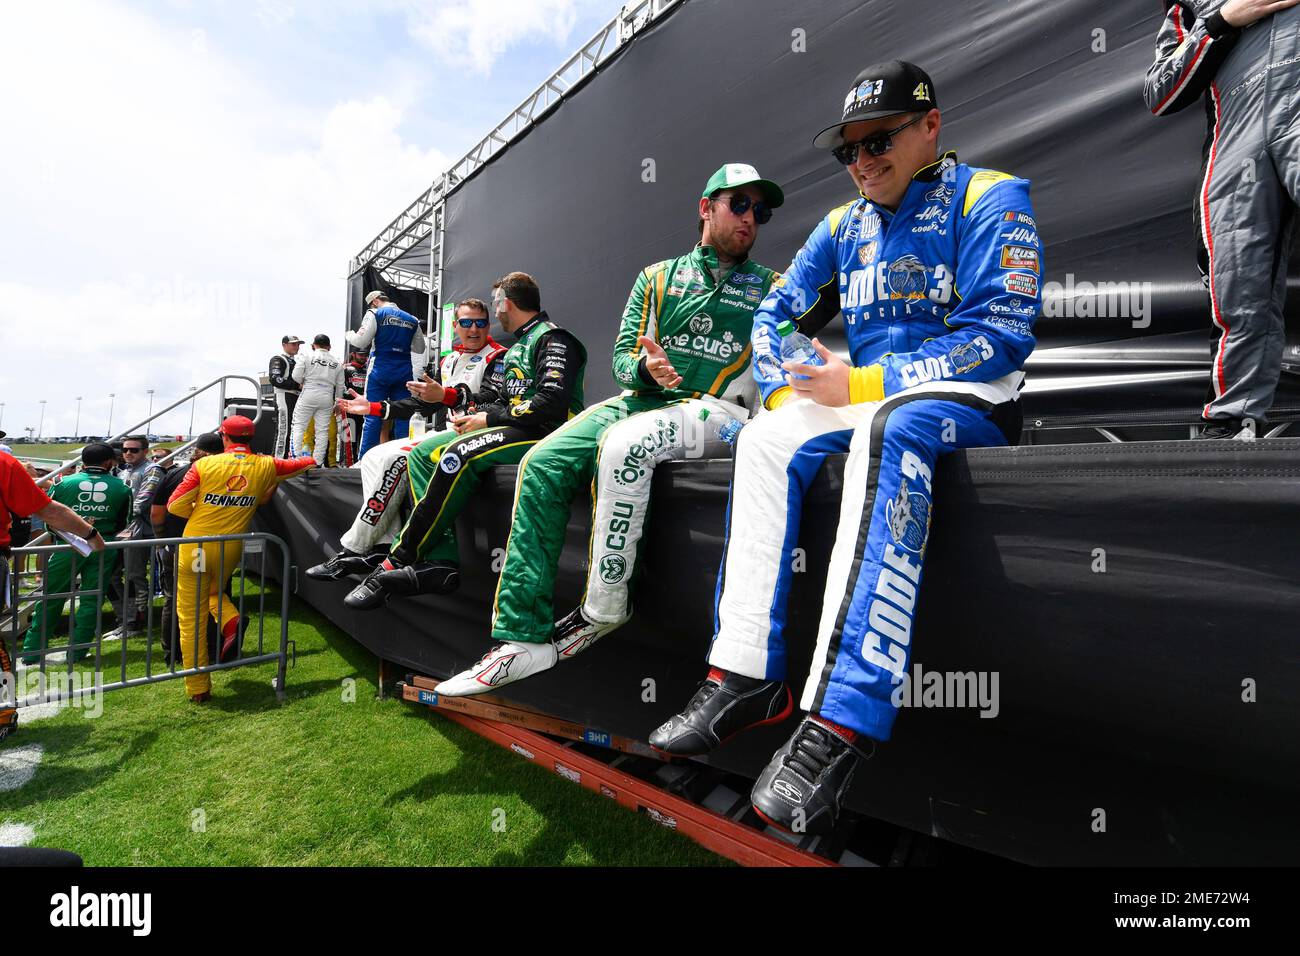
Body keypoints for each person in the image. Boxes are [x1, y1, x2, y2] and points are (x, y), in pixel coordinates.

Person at [648, 61, 1040, 834]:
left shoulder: (992, 196)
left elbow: (1000, 337)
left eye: (878, 140)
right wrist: (788, 383)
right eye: (847, 151)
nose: (862, 161)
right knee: (762, 436)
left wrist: (860, 385)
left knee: (891, 429)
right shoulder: (841, 226)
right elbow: (772, 315)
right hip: (858, 392)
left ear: (931, 126)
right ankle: (745, 675)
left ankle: (840, 723)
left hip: (967, 396)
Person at [435, 164, 784, 697]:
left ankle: (603, 608)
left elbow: (787, 353)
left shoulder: (772, 286)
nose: (751, 219)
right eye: (740, 205)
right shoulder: (656, 276)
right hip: (641, 398)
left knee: (626, 446)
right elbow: (623, 358)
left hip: (717, 410)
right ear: (705, 207)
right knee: (542, 461)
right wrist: (648, 371)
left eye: (761, 211)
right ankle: (522, 638)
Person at [337, 273, 586, 610]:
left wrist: (486, 417)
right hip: (513, 428)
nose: (489, 319)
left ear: (505, 304)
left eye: (491, 311)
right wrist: (474, 412)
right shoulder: (512, 348)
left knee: (456, 454)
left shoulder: (554, 339)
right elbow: (492, 399)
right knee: (424, 454)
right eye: (466, 322)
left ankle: (396, 559)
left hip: (548, 434)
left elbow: (551, 403)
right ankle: (439, 561)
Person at [1144, 0, 1300, 439]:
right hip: (1237, 133)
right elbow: (1160, 89)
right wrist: (1222, 20)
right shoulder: (1190, 4)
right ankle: (1234, 421)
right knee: (1237, 281)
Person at [305, 298, 507, 581]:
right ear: (454, 325)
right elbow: (422, 405)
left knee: (395, 457)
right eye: (466, 322)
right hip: (448, 432)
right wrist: (374, 407)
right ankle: (383, 543)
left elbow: (494, 403)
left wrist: (449, 396)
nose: (473, 329)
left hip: (473, 435)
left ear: (488, 325)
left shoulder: (499, 356)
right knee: (374, 455)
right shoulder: (449, 360)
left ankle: (353, 547)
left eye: (480, 323)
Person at [166, 416, 314, 702]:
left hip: (196, 545)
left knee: (190, 618)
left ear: (224, 437)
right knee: (212, 593)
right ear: (251, 438)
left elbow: (175, 505)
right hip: (230, 548)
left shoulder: (204, 465)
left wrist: (200, 510)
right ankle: (231, 621)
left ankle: (198, 688)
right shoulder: (265, 465)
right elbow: (304, 464)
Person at [1, 447, 107, 740]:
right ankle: (3, 714)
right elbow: (47, 509)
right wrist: (90, 534)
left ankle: (32, 656)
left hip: (58, 555)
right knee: (86, 600)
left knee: (56, 599)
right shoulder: (5, 463)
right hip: (79, 549)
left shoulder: (63, 482)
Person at [20, 444, 132, 664]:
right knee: (92, 598)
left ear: (83, 461)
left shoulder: (63, 482)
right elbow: (124, 522)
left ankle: (32, 651)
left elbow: (48, 517)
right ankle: (79, 651)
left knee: (50, 597)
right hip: (102, 544)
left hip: (66, 545)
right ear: (109, 462)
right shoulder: (122, 486)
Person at [151, 432, 225, 665]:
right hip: (213, 546)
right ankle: (213, 651)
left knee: (175, 599)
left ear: (197, 449)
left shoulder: (174, 474)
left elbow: (156, 513)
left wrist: (163, 541)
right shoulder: (224, 475)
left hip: (180, 547)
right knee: (213, 595)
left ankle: (173, 654)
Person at [349, 291, 428, 459]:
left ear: (375, 301)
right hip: (404, 371)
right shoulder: (412, 319)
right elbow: (420, 348)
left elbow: (360, 341)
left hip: (380, 369)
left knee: (372, 414)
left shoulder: (375, 313)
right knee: (403, 415)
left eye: (371, 304)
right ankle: (403, 460)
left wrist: (349, 335)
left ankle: (364, 461)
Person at [106, 434, 164, 639]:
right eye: (125, 450)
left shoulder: (153, 470)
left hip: (140, 531)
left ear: (145, 451)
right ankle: (124, 619)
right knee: (111, 576)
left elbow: (144, 500)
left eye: (134, 450)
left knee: (135, 576)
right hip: (121, 531)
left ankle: (135, 623)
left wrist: (113, 515)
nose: (128, 453)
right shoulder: (123, 473)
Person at [291, 333, 345, 466]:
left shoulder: (306, 356)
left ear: (313, 345)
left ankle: (295, 460)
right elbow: (340, 387)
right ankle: (317, 462)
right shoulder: (337, 362)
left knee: (299, 426)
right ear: (329, 347)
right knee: (322, 431)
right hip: (327, 395)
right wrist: (338, 403)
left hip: (309, 392)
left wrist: (304, 380)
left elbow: (295, 376)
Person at [269, 334, 304, 457]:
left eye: (298, 344)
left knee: (292, 430)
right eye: (293, 344)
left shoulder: (296, 361)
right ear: (284, 345)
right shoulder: (278, 359)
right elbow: (275, 379)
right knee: (284, 429)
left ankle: (285, 458)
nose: (297, 346)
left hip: (295, 397)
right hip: (283, 396)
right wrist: (297, 385)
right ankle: (279, 460)